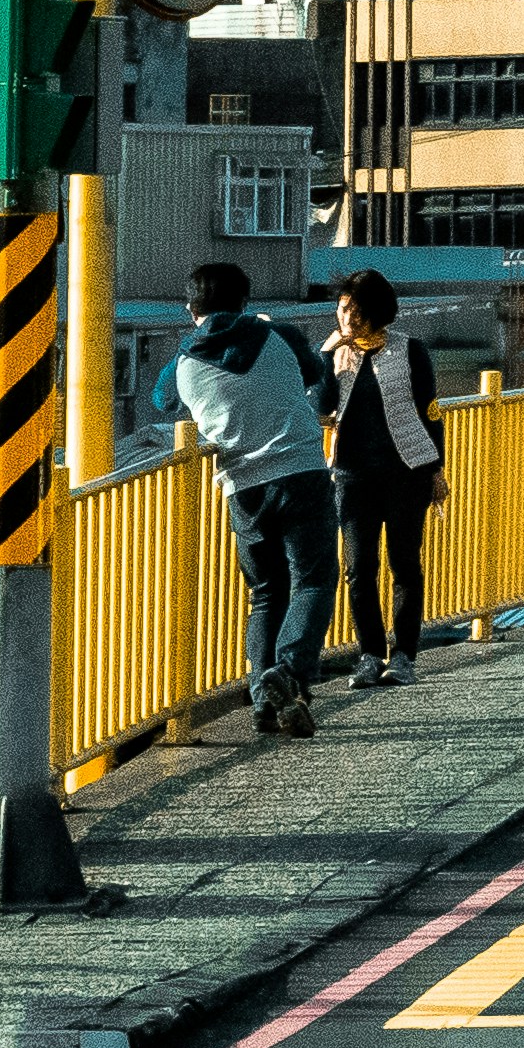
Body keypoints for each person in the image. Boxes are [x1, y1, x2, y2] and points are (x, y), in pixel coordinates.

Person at [154, 265, 339, 738]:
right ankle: (290, 670)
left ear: (190, 309)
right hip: (300, 470)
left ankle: (263, 700)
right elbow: (316, 373)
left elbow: (162, 403)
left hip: (242, 485)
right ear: (244, 299)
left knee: (265, 594)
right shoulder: (280, 335)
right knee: (315, 580)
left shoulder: (181, 362)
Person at [319, 272, 443, 693]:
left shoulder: (409, 349)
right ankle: (370, 655)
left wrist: (437, 469)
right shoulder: (335, 354)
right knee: (358, 569)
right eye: (341, 307)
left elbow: (430, 411)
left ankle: (404, 655)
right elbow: (322, 406)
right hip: (351, 475)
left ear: (375, 311)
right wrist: (326, 359)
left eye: (353, 308)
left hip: (407, 470)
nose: (345, 315)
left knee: (404, 563)